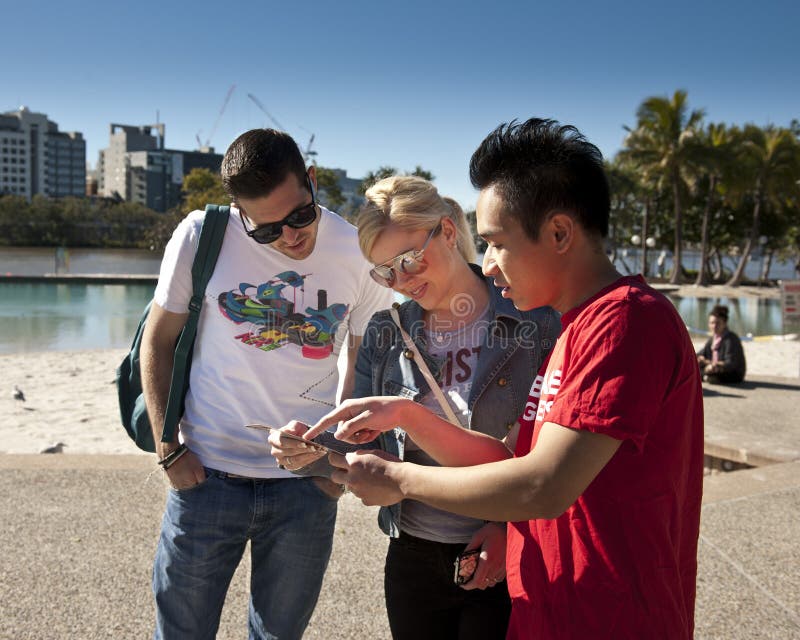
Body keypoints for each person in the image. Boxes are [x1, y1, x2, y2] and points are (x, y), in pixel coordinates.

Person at [292, 119, 704, 639]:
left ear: (558, 233)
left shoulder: (624, 322)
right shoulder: (579, 327)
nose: (487, 265)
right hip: (550, 604)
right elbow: (520, 464)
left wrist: (399, 479)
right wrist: (400, 416)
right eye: (385, 272)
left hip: (609, 615)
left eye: (495, 244)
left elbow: (540, 486)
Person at [273, 175, 559, 639]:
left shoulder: (534, 322)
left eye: (408, 260)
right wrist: (307, 446)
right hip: (412, 555)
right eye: (385, 272)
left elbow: (552, 459)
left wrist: (510, 527)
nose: (401, 281)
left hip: (509, 552)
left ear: (447, 231)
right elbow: (353, 439)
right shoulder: (386, 332)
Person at [140, 128, 393, 639]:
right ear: (239, 212)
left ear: (312, 181)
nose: (290, 238)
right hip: (206, 474)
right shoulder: (199, 236)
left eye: (300, 215)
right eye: (266, 231)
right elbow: (157, 341)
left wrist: (333, 467)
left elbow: (365, 364)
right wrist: (168, 449)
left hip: (306, 487)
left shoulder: (359, 251)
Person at [697, 304, 746, 383]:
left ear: (725, 323)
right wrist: (699, 358)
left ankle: (707, 377)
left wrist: (713, 365)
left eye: (718, 323)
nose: (714, 326)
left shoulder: (731, 339)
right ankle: (706, 376)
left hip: (731, 373)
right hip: (713, 368)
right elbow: (701, 353)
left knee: (710, 373)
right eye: (712, 323)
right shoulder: (712, 339)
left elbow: (730, 364)